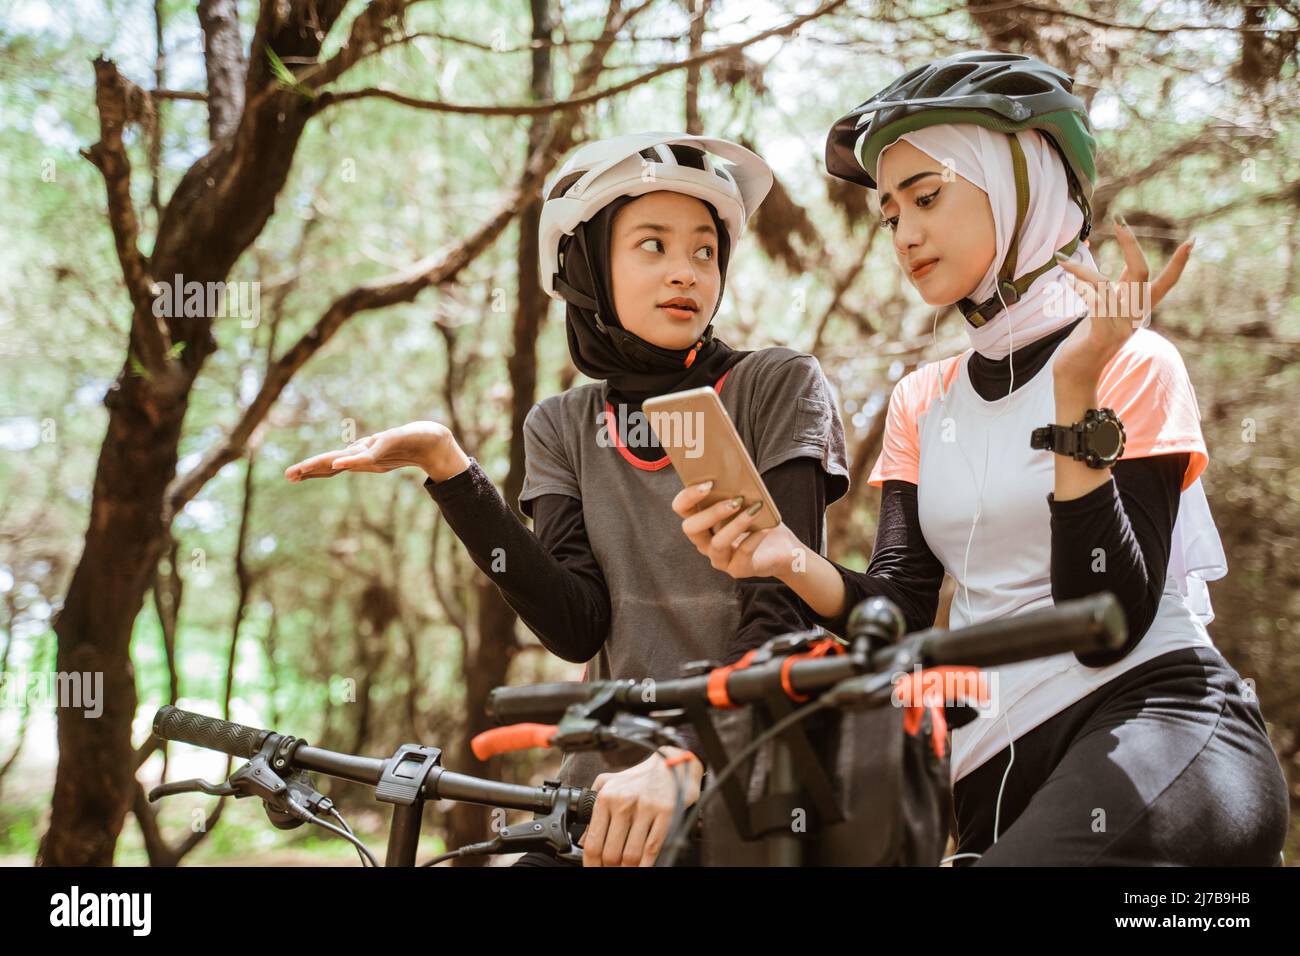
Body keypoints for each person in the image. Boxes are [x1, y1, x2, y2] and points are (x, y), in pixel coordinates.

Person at [671, 52, 1289, 865]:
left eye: (927, 197)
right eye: (890, 215)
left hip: (1156, 720)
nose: (906, 232)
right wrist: (787, 560)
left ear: (1017, 183)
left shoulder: (1133, 363)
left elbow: (1110, 622)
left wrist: (1076, 391)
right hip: (990, 768)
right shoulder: (923, 400)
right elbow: (897, 606)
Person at [285, 133, 850, 866]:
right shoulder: (562, 425)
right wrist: (450, 469)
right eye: (653, 245)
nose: (686, 272)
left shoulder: (775, 384)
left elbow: (783, 611)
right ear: (586, 268)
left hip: (752, 789)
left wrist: (688, 753)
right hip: (602, 797)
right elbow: (576, 625)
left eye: (704, 252)